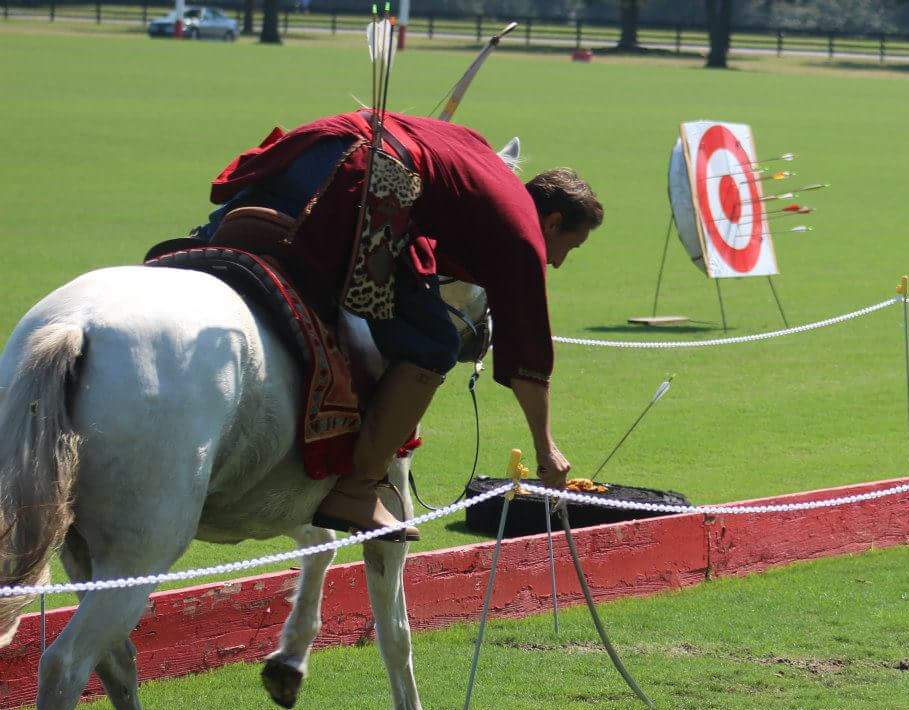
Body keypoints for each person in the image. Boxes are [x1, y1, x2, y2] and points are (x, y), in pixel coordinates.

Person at [195, 111, 603, 539]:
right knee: (433, 343)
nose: (557, 261)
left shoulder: (483, 161)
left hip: (311, 150)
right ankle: (357, 488)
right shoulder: (522, 235)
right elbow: (528, 357)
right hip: (360, 177)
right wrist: (546, 449)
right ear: (552, 222)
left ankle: (203, 242)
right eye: (567, 246)